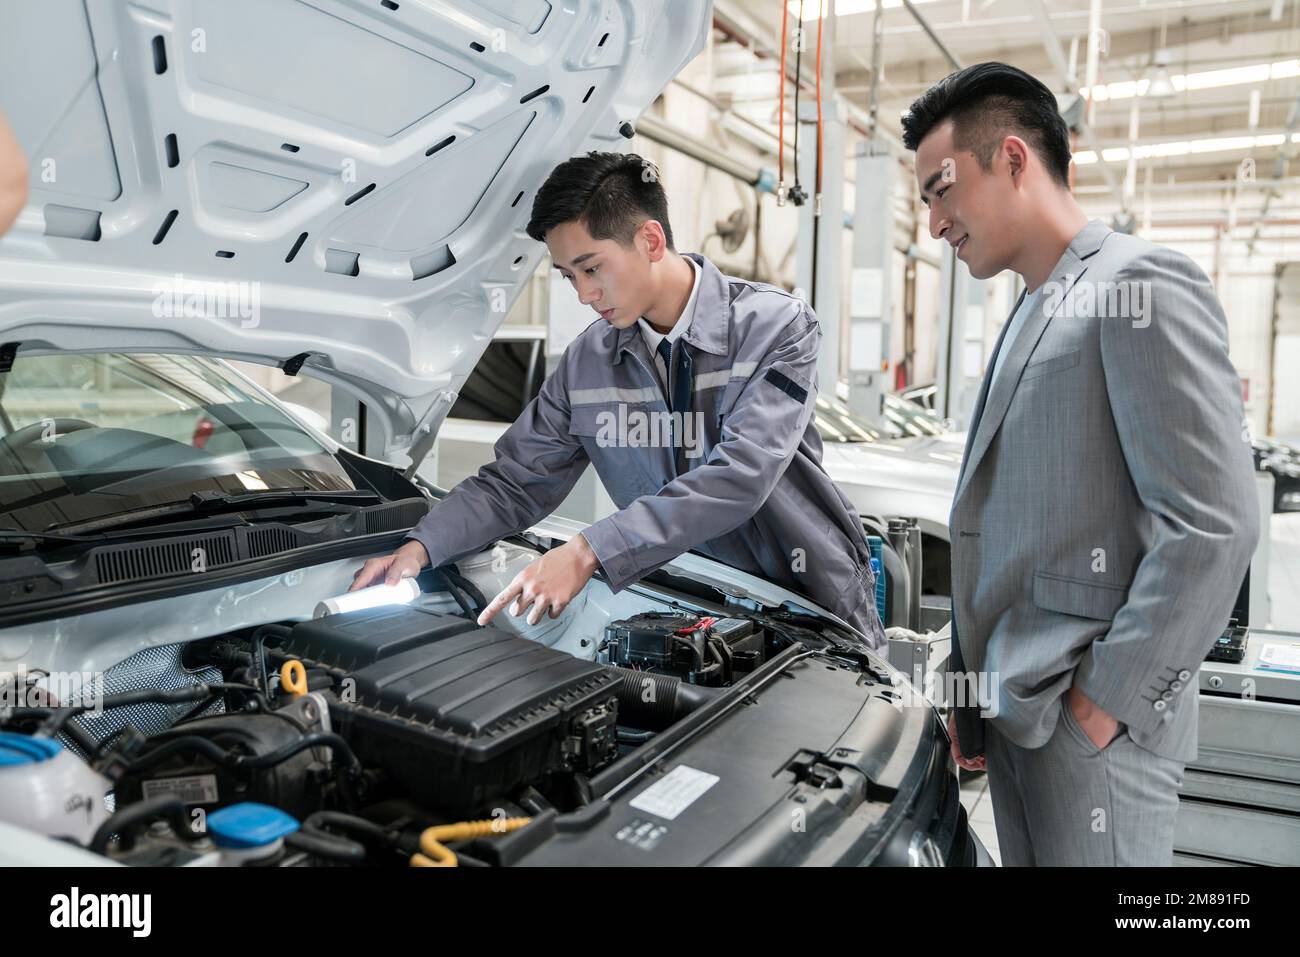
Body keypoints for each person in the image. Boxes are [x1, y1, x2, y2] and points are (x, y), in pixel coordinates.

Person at [902, 62, 1259, 865]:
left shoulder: (1138, 284)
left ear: (1015, 160)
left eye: (940, 190)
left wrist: (1105, 701)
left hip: (1092, 726)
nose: (934, 223)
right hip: (1022, 708)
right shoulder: (1035, 302)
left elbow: (1214, 523)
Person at [351, 151, 885, 648]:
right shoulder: (589, 362)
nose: (584, 294)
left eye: (591, 268)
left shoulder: (775, 327)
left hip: (808, 602)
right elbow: (516, 482)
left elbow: (742, 474)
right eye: (568, 277)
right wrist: (423, 547)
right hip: (691, 604)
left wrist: (590, 550)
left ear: (650, 241)